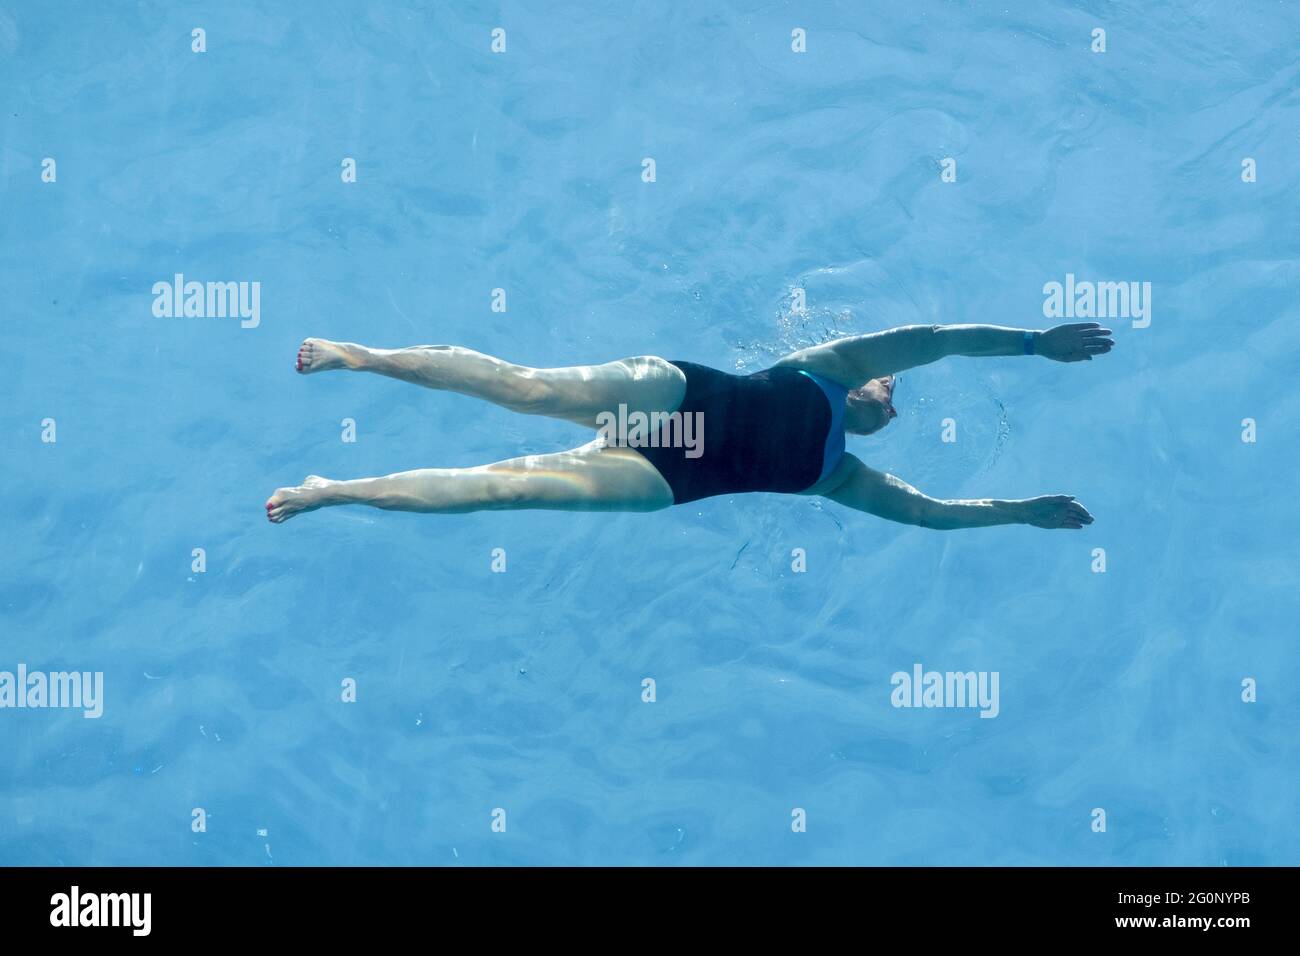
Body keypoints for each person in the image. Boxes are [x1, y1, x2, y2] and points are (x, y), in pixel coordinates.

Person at [266, 322, 1112, 530]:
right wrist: (1034, 344)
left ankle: (333, 489)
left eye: (897, 405)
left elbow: (932, 515)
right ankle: (362, 356)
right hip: (675, 401)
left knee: (506, 488)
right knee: (525, 390)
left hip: (671, 478)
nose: (892, 393)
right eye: (891, 386)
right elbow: (936, 339)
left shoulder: (841, 477)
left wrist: (1022, 512)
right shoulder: (832, 366)